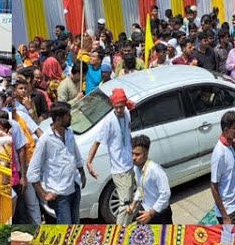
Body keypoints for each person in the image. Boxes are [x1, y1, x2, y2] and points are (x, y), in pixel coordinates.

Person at [27, 102, 86, 224]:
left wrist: (82, 172)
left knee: (75, 225)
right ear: (58, 119)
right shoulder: (45, 140)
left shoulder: (69, 132)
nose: (70, 117)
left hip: (74, 186)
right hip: (59, 194)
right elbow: (32, 172)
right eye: (68, 115)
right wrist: (43, 194)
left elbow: (76, 153)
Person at [87, 88, 136, 224]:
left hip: (130, 165)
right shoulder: (109, 121)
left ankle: (127, 226)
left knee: (132, 200)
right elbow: (97, 142)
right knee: (125, 203)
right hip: (119, 170)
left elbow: (128, 134)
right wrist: (89, 162)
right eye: (116, 107)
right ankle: (119, 231)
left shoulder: (127, 113)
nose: (119, 110)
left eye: (121, 106)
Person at [210, 112, 235, 224]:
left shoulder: (230, 145)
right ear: (226, 130)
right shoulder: (219, 153)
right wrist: (225, 216)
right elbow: (214, 186)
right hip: (229, 212)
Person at [131, 134, 171, 224]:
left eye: (137, 154)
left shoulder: (155, 171)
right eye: (132, 153)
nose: (133, 158)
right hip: (146, 210)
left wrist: (151, 213)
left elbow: (165, 194)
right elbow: (141, 188)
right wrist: (134, 203)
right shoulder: (136, 168)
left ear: (146, 153)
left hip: (160, 214)